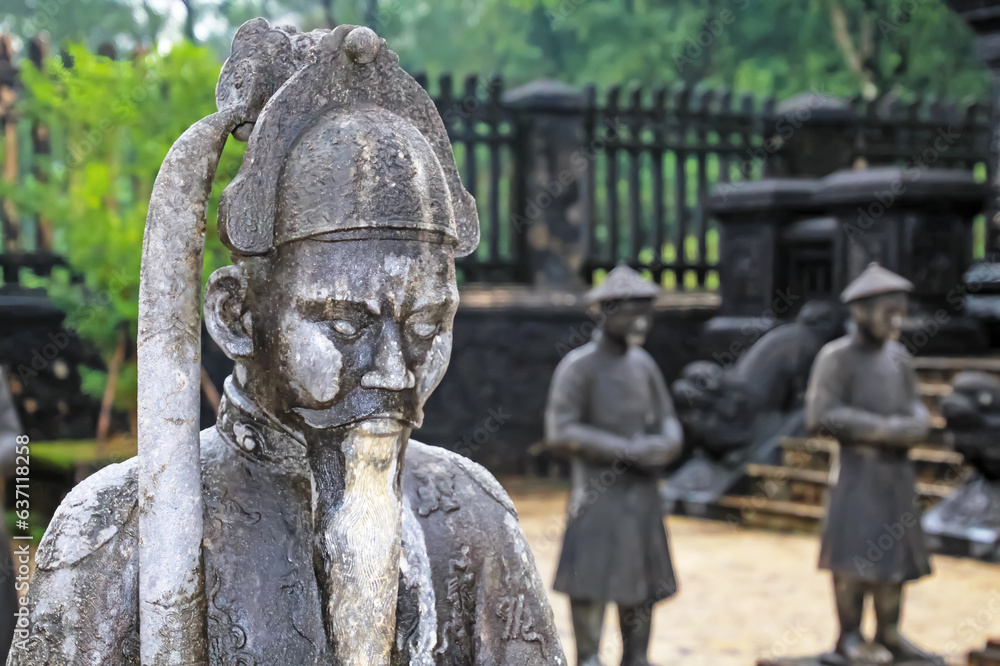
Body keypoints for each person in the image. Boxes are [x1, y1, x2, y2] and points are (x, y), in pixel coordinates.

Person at [8, 21, 565, 665]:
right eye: (346, 325)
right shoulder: (112, 532)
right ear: (236, 316)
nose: (395, 374)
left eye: (424, 328)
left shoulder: (472, 520)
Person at [544, 266, 683, 666]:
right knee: (589, 580)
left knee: (640, 583)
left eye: (646, 312)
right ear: (604, 312)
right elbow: (561, 430)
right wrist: (624, 450)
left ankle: (637, 657)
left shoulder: (644, 366)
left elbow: (667, 419)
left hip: (641, 496)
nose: (640, 322)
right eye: (630, 312)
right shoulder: (579, 367)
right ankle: (588, 656)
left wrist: (666, 444)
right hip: (597, 496)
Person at [805, 263, 941, 665]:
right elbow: (821, 415)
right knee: (854, 555)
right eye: (888, 311)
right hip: (857, 474)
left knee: (896, 558)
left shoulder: (899, 358)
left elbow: (917, 410)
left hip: (895, 475)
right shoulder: (836, 358)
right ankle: (849, 634)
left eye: (901, 310)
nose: (897, 320)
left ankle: (890, 631)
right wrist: (884, 429)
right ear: (860, 312)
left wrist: (915, 426)